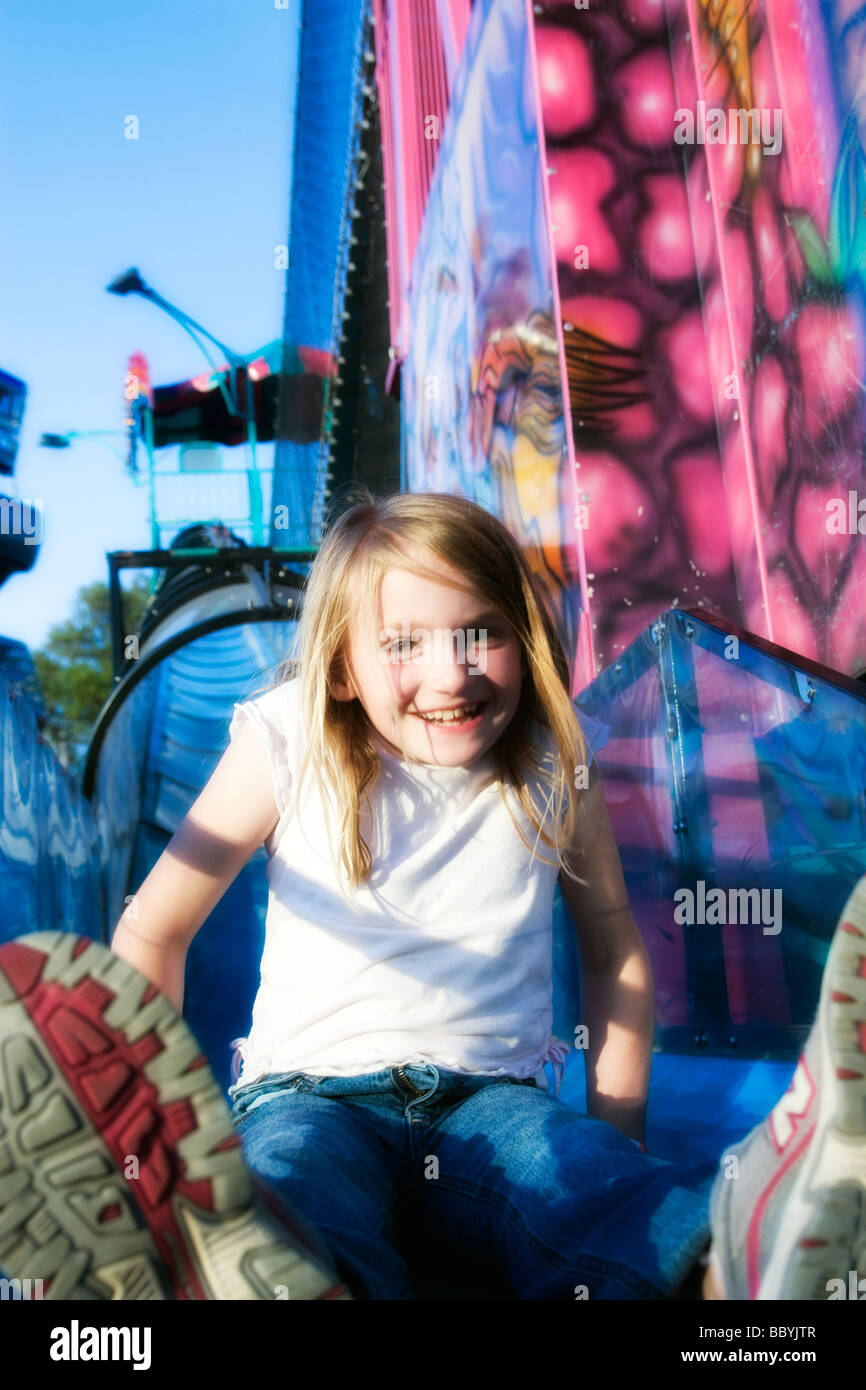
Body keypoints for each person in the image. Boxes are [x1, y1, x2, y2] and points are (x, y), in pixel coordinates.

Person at [0, 491, 863, 1301]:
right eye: (404, 644)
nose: (451, 674)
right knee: (297, 1185)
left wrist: (618, 1142)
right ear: (341, 667)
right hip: (312, 1089)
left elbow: (614, 952)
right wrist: (138, 1125)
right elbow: (156, 925)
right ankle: (240, 1266)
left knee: (584, 1187)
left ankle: (738, 1267)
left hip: (492, 1098)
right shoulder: (289, 739)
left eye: (480, 632)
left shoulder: (552, 759)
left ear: (521, 640)